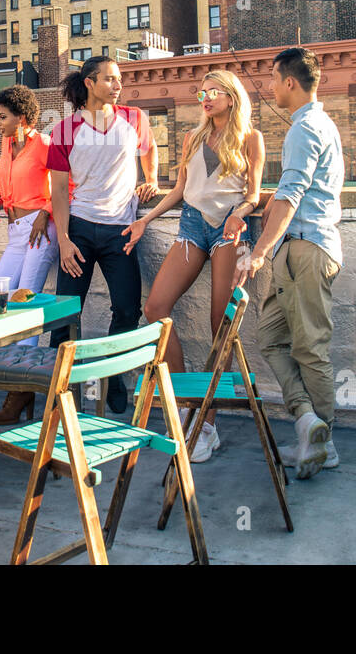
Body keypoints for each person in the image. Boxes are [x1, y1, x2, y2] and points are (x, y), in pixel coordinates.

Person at [122, 70, 263, 462]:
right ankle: (185, 403)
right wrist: (145, 219)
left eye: (214, 91)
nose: (206, 97)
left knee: (221, 323)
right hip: (192, 225)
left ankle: (208, 423)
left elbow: (253, 193)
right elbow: (182, 190)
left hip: (229, 229)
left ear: (231, 97)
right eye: (202, 91)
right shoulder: (192, 137)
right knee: (154, 308)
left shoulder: (250, 138)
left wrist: (242, 214)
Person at [235, 47, 344, 480]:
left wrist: (259, 250)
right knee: (271, 339)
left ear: (290, 83)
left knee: (310, 348)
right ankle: (307, 422)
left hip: (307, 248)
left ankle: (327, 444)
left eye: (274, 79)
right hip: (296, 248)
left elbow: (291, 194)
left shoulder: (305, 129)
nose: (270, 87)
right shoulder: (320, 124)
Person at [48, 56, 157, 414]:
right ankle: (58, 386)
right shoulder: (64, 130)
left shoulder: (134, 118)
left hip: (120, 230)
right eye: (109, 79)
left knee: (127, 308)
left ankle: (115, 375)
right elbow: (59, 192)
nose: (117, 84)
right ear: (90, 83)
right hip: (78, 229)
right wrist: (63, 240)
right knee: (66, 312)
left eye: (119, 79)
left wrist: (151, 178)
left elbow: (150, 148)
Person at [0, 85, 59, 424]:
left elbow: (65, 186)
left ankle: (20, 389)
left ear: (22, 119)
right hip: (15, 231)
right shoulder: (5, 144)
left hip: (40, 229)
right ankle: (11, 375)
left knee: (25, 303)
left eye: (3, 117)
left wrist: (45, 210)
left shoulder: (44, 145)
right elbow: (8, 180)